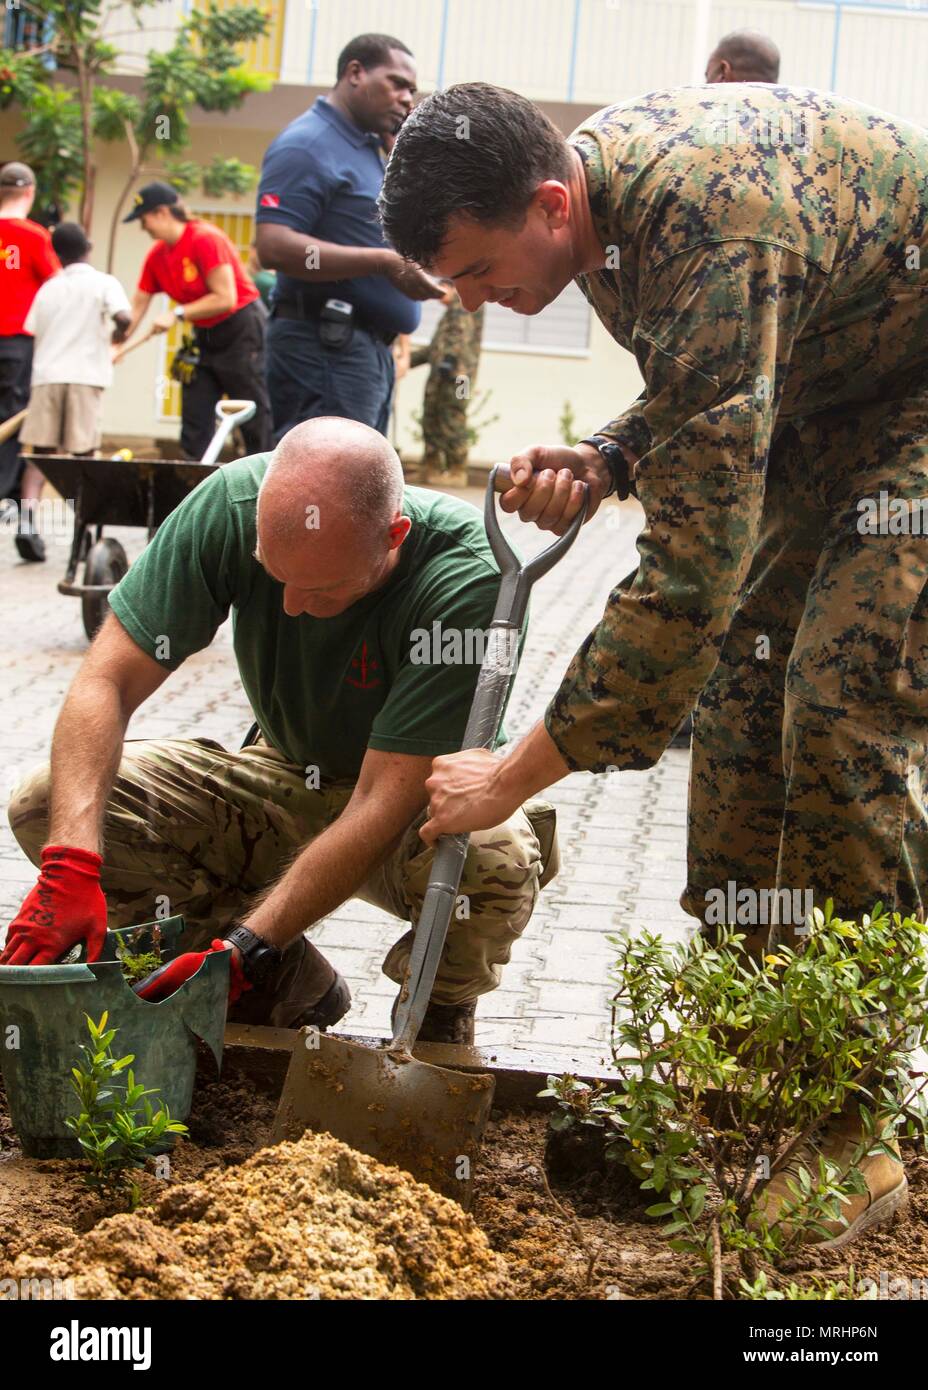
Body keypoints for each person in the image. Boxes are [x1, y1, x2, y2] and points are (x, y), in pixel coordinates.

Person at [378, 80, 928, 1244]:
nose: (482, 305)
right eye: (454, 290)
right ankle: (755, 1052)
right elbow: (710, 387)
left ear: (544, 199)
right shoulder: (601, 216)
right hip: (837, 393)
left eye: (478, 274)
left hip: (914, 400)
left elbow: (689, 577)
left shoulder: (710, 220)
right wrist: (611, 450)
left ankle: (859, 1127)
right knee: (740, 696)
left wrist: (510, 776)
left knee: (839, 695)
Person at [3, 416, 558, 1046]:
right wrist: (70, 862)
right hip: (282, 775)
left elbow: (381, 800)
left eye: (320, 589)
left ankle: (435, 1013)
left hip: (414, 805)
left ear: (394, 536)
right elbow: (106, 681)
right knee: (46, 800)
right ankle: (284, 985)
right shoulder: (232, 507)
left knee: (494, 856)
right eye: (274, 574)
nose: (291, 606)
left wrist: (249, 944)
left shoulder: (471, 580)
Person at [254, 32, 445, 441]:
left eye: (413, 90)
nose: (408, 98)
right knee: (328, 492)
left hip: (359, 352)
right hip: (324, 350)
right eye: (397, 83)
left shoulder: (365, 149)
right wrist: (385, 263)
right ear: (355, 73)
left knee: (359, 494)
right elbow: (272, 246)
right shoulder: (308, 144)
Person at [121, 182, 271, 460]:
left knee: (252, 411)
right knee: (195, 411)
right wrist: (115, 346)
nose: (145, 228)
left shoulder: (204, 238)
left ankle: (260, 476)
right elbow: (137, 306)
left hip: (241, 328)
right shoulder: (157, 256)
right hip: (204, 336)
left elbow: (225, 297)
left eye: (145, 220)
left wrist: (177, 314)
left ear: (163, 212)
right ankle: (194, 483)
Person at [20, 223, 130, 473]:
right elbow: (124, 317)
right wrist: (116, 337)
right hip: (84, 376)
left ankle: (27, 512)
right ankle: (84, 512)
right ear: (89, 247)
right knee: (84, 455)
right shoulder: (104, 283)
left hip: (46, 379)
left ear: (56, 255)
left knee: (41, 456)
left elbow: (32, 331)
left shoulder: (47, 289)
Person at [0, 161, 61, 562]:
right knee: (19, 426)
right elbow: (58, 291)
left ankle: (24, 518)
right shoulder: (35, 237)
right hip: (17, 345)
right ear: (31, 193)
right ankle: (21, 513)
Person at [409, 284, 485, 481]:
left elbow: (459, 335)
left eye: (440, 288)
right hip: (442, 374)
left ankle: (457, 470)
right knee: (431, 417)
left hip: (460, 377)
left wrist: (449, 359)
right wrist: (407, 361)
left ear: (451, 288)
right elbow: (435, 348)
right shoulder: (449, 313)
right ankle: (430, 468)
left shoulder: (462, 303)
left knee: (453, 417)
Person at [705, 29, 780, 83]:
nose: (705, 84)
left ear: (723, 74)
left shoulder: (702, 104)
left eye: (708, 76)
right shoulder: (787, 102)